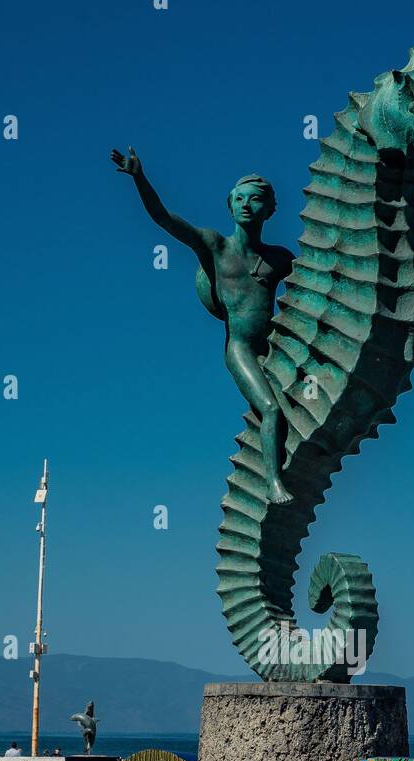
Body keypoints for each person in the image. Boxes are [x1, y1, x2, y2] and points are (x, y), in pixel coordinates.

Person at [112, 148, 296, 503]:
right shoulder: (216, 245)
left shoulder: (280, 259)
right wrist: (140, 178)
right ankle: (274, 484)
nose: (246, 205)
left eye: (255, 200)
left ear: (269, 209)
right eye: (238, 199)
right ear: (230, 206)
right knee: (271, 410)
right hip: (240, 347)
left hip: (275, 346)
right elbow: (165, 219)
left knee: (297, 411)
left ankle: (285, 466)